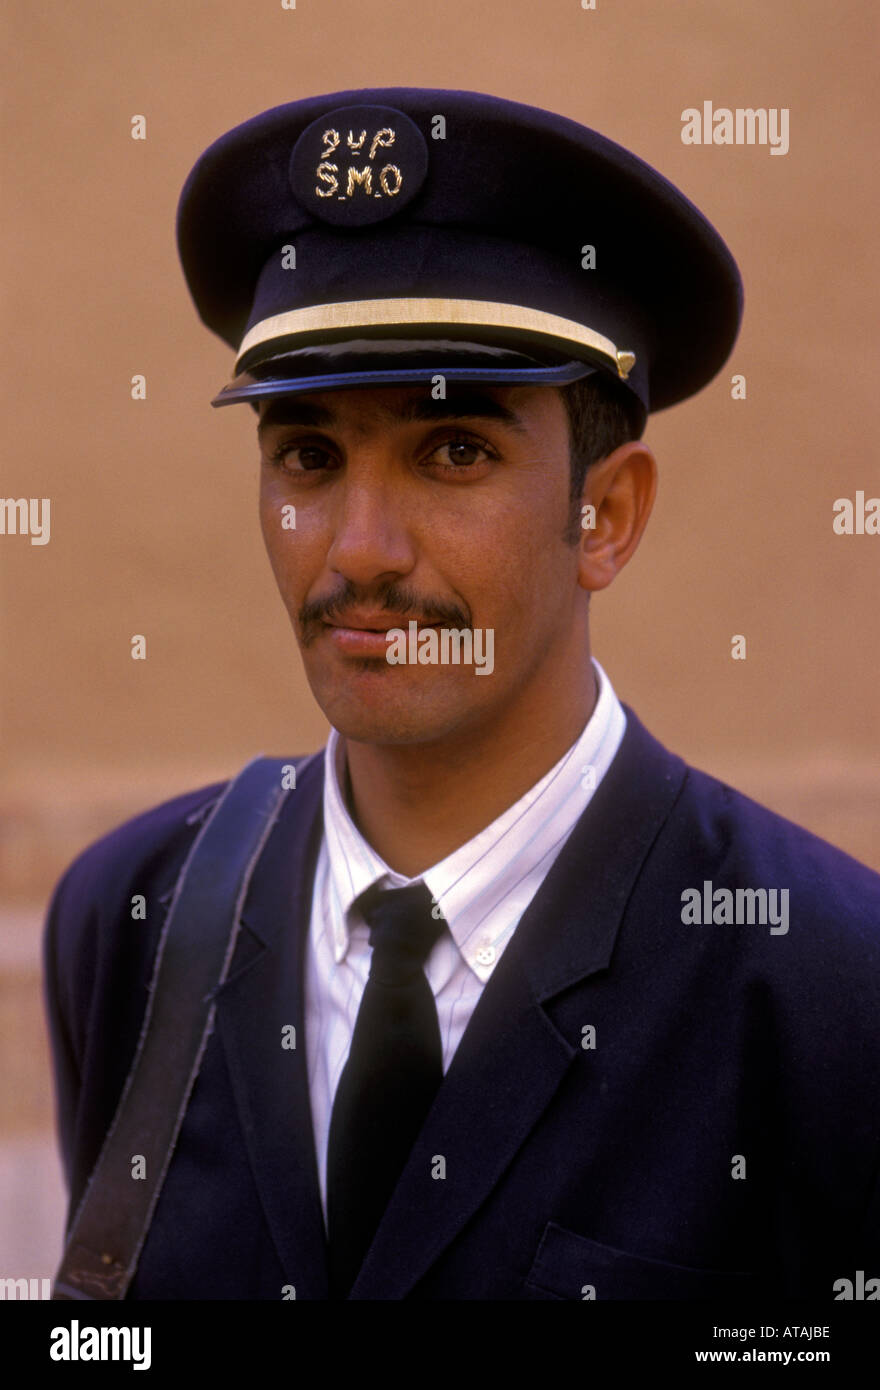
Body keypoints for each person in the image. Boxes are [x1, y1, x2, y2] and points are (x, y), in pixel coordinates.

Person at [43, 87, 880, 1301]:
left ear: (608, 514)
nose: (360, 548)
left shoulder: (823, 988)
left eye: (454, 452)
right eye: (309, 455)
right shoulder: (132, 917)